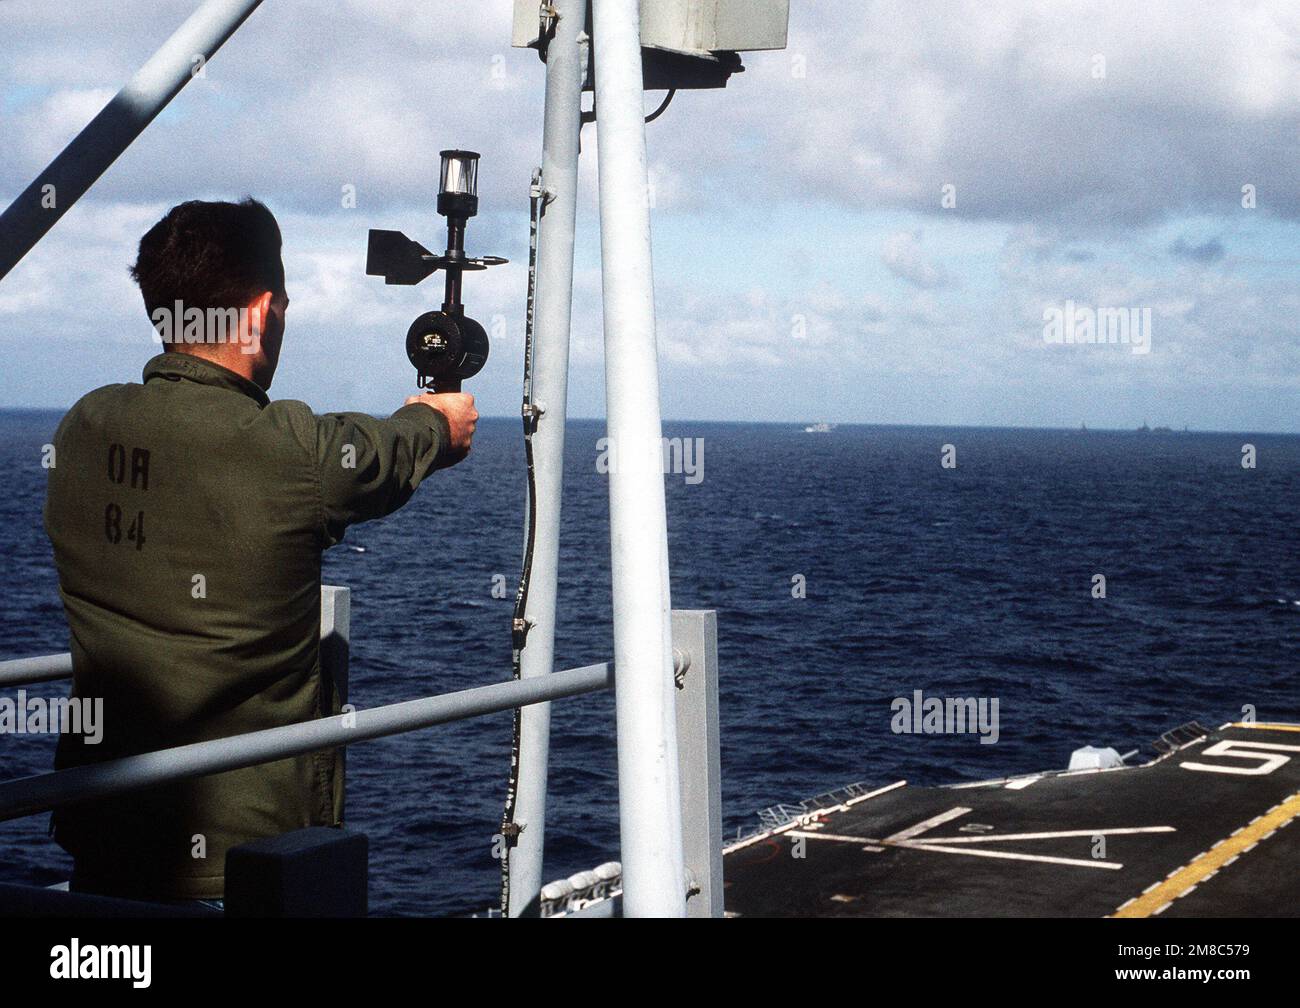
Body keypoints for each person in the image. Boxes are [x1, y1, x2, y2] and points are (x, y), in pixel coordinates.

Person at [43, 198, 477, 902]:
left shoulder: (82, 426)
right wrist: (438, 416)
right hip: (244, 858)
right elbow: (395, 449)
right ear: (260, 311)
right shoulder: (294, 450)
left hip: (103, 831)